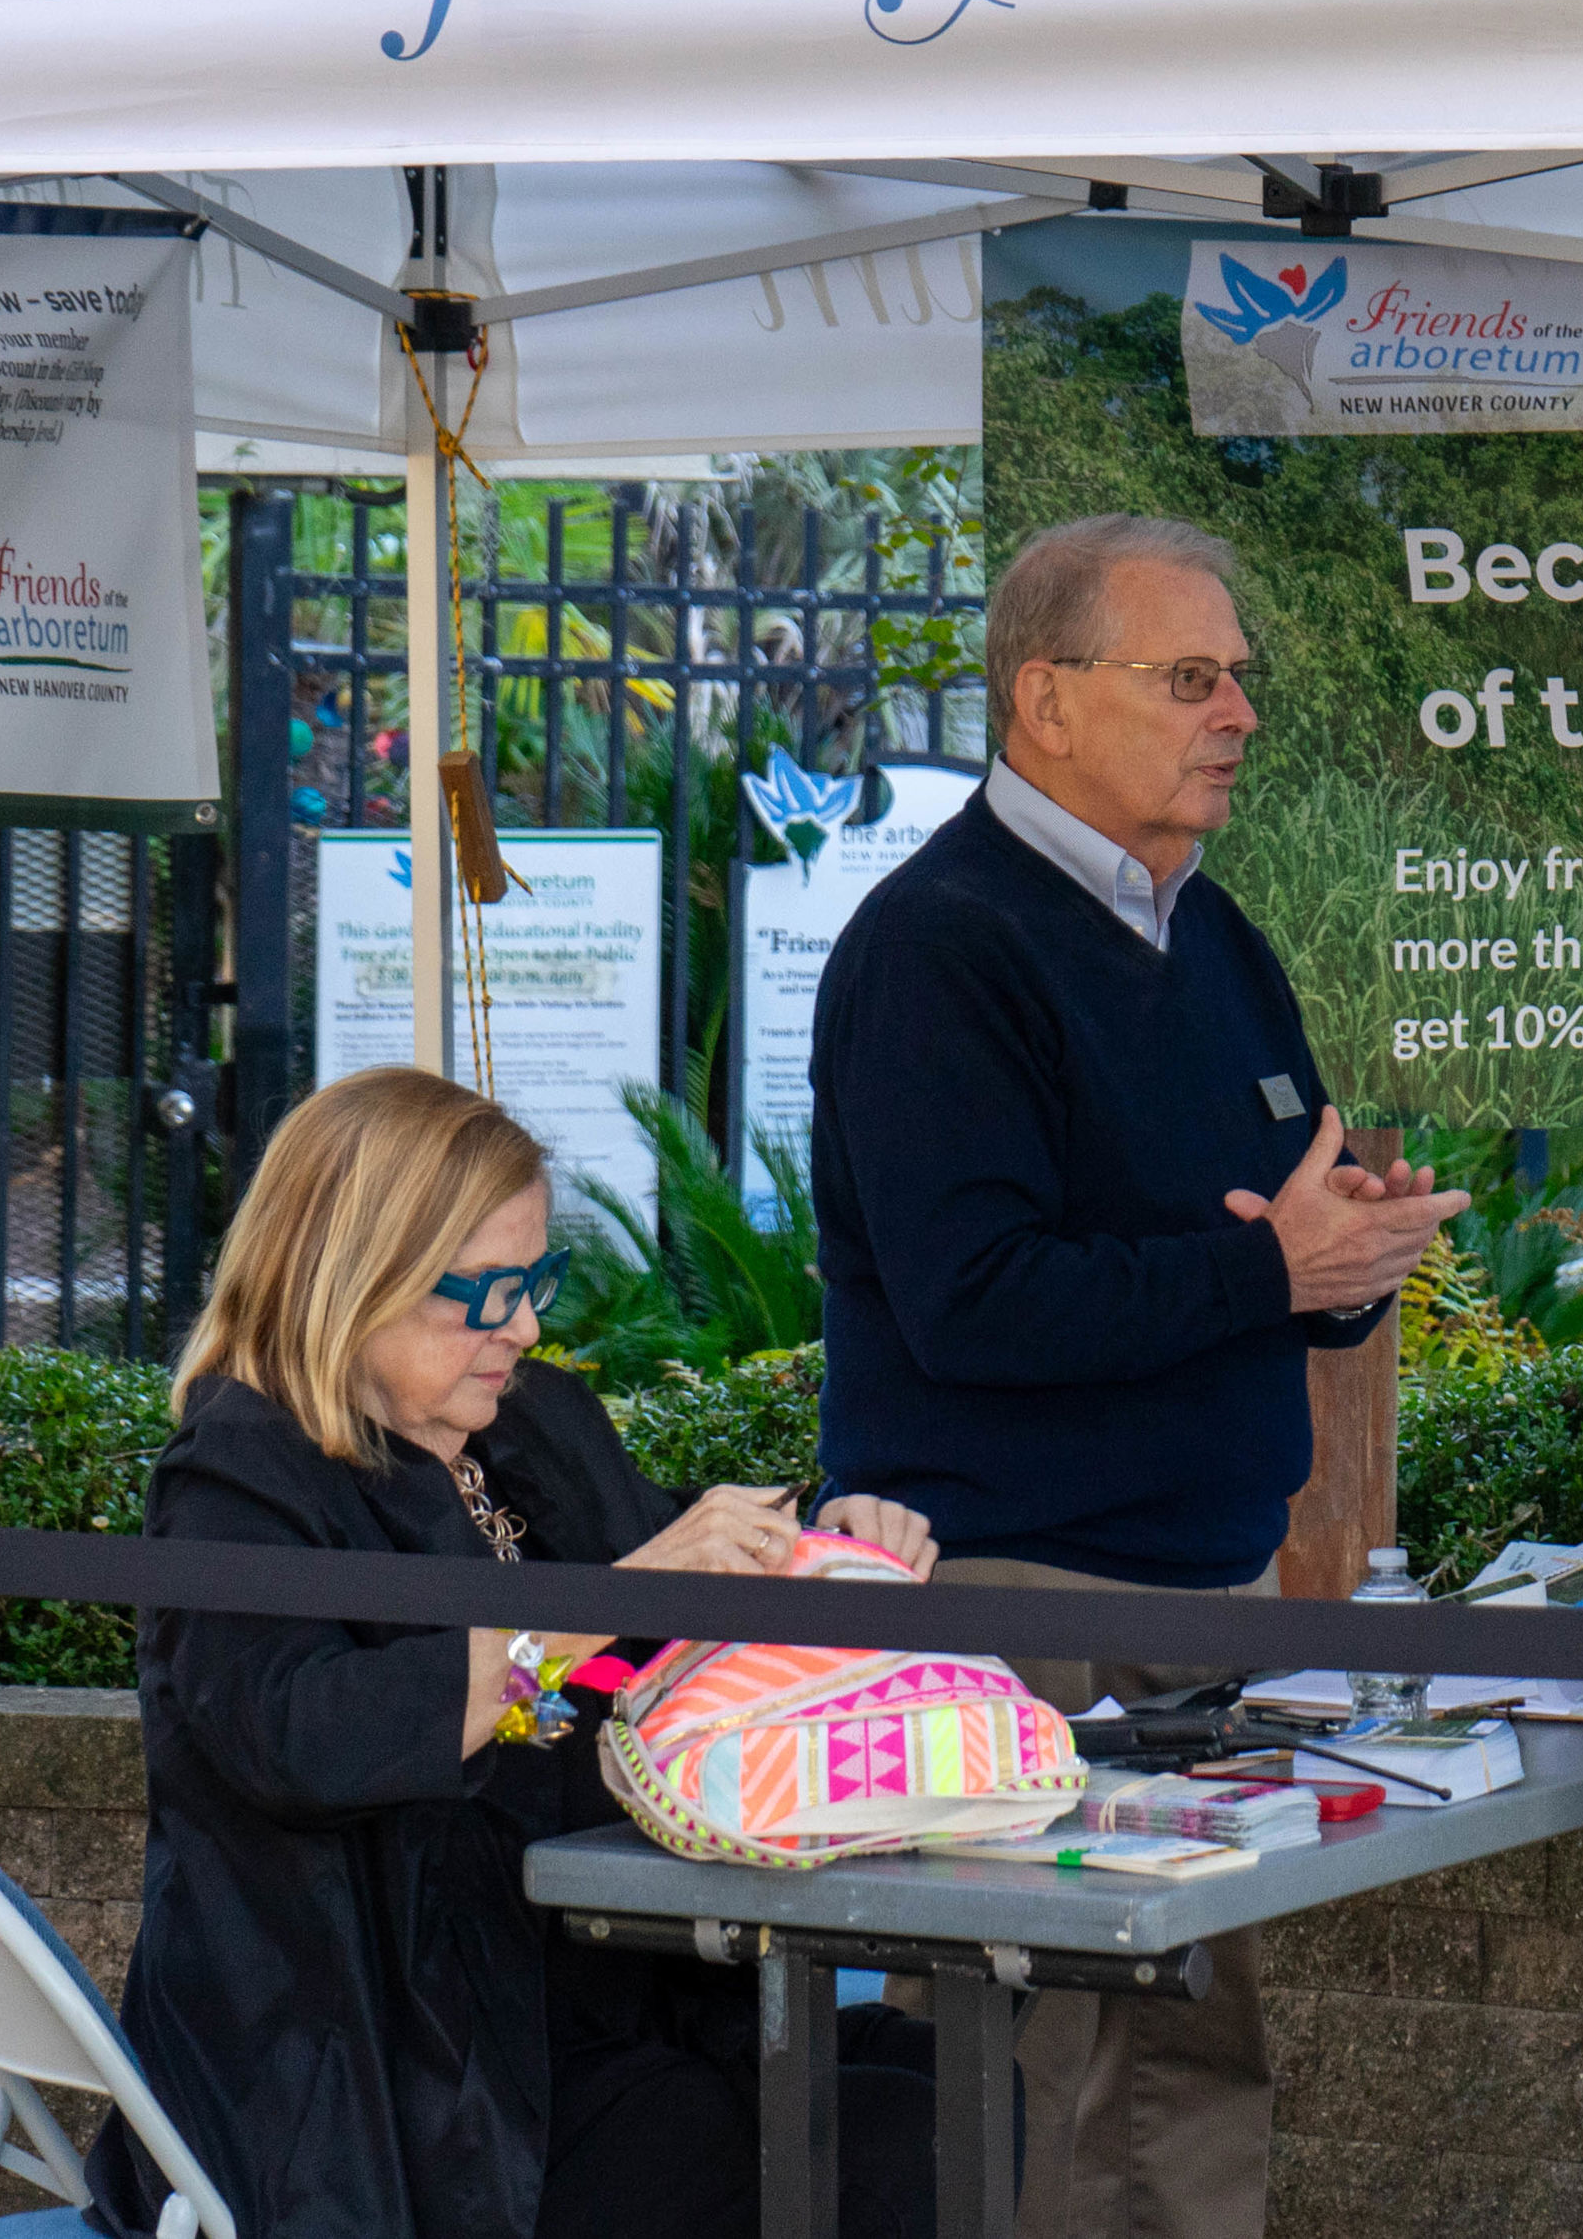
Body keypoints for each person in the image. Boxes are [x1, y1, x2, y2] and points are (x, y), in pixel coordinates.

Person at [808, 510, 1466, 2239]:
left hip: (1206, 1600)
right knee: (1065, 2076)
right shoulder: (937, 946)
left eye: (1239, 674)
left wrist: (1339, 1265)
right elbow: (974, 1302)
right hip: (1024, 1607)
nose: (1237, 709)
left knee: (1178, 2048)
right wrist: (1269, 1266)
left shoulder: (1215, 934)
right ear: (1045, 697)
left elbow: (1253, 1245)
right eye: (1190, 675)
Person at [85, 1065, 952, 2239]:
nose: (528, 1326)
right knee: (873, 2150)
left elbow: (667, 1568)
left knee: (941, 2078)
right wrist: (607, 1601)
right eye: (490, 1291)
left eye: (535, 1280)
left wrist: (818, 1538)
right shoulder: (239, 1480)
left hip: (599, 1996)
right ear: (354, 1275)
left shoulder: (531, 1422)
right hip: (403, 2070)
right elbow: (301, 1734)